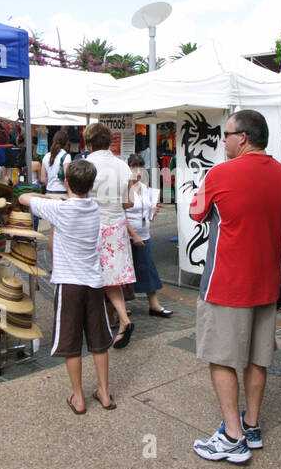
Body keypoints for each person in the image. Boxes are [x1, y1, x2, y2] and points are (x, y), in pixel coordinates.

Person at [189, 110, 281, 463]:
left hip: (227, 282)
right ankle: (251, 425)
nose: (224, 141)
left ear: (243, 138)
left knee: (220, 356)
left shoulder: (221, 173)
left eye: (227, 135)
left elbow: (195, 212)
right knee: (257, 357)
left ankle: (232, 437)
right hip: (267, 281)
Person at [18, 160, 114, 413]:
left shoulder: (58, 210)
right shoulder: (93, 208)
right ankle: (104, 393)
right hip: (93, 283)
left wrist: (47, 195)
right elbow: (78, 200)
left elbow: (24, 198)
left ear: (67, 183)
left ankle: (78, 397)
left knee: (71, 343)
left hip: (69, 284)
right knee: (98, 340)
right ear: (92, 186)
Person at [84, 121, 137, 348]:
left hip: (93, 226)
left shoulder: (85, 165)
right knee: (111, 280)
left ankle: (95, 324)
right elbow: (129, 202)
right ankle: (123, 320)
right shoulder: (123, 166)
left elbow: (80, 200)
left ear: (88, 142)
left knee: (92, 278)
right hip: (116, 227)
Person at [126, 153, 172, 318]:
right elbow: (120, 214)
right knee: (125, 272)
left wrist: (153, 211)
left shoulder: (145, 188)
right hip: (128, 236)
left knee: (148, 268)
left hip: (144, 233)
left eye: (140, 167)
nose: (138, 171)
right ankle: (120, 307)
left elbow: (148, 208)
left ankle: (154, 305)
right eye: (134, 167)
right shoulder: (125, 188)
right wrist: (133, 234)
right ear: (128, 168)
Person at [41, 129, 71, 194]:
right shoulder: (66, 156)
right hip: (62, 193)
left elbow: (43, 179)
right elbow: (67, 178)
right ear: (66, 142)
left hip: (48, 193)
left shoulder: (46, 156)